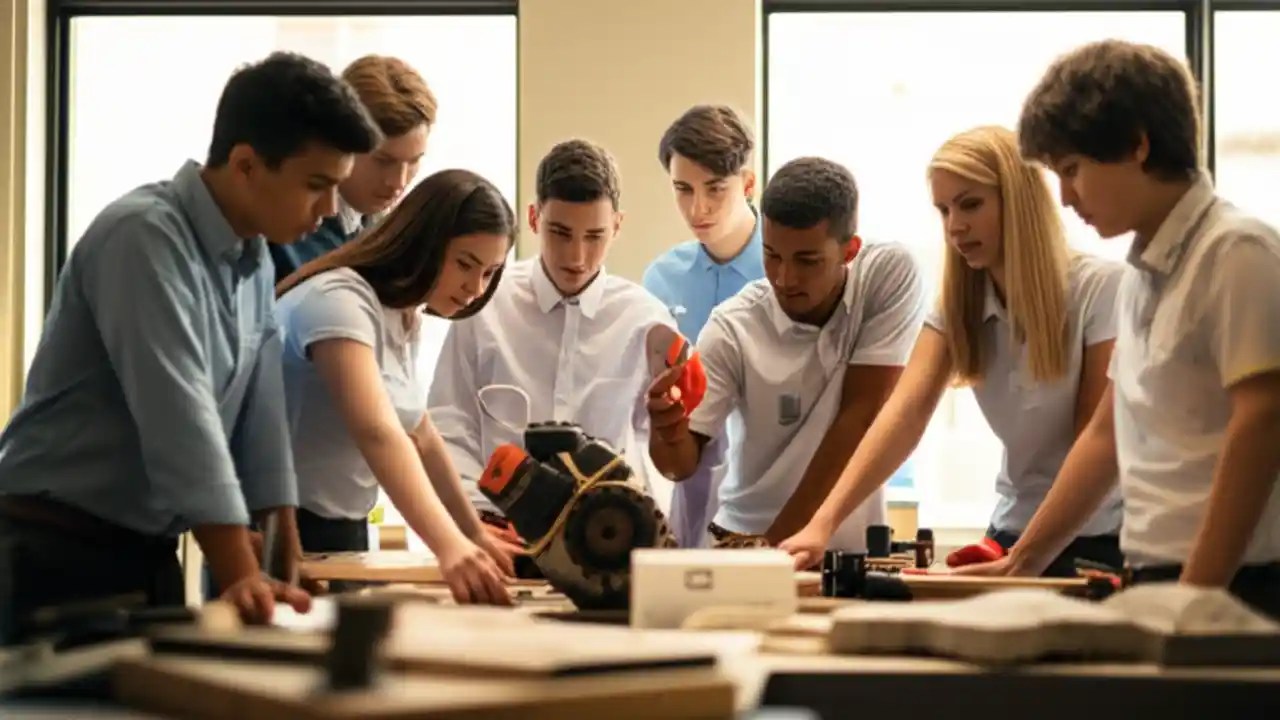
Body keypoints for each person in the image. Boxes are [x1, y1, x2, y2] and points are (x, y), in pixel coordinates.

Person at [0, 51, 381, 633]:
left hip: (147, 556)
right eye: (317, 186)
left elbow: (263, 429)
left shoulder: (254, 260)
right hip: (50, 552)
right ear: (247, 165)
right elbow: (179, 414)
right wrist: (237, 573)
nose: (330, 210)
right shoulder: (143, 237)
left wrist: (284, 566)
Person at [954, 40, 1280, 619]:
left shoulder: (1237, 251)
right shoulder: (1140, 277)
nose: (1064, 196)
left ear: (1137, 144)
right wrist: (1023, 559)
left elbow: (1263, 420)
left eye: (1073, 170)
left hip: (1238, 583)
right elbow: (1104, 438)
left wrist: (1196, 597)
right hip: (1156, 574)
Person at [778, 126, 1124, 575]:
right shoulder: (958, 305)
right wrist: (821, 525)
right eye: (943, 210)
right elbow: (904, 413)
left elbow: (1093, 442)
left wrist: (1024, 559)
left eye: (970, 204)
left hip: (1095, 539)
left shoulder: (1102, 289)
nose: (955, 226)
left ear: (1018, 200)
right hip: (1010, 534)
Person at [647, 156, 925, 551]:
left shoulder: (888, 274)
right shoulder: (731, 327)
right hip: (743, 541)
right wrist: (668, 433)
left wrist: (777, 548)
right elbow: (679, 465)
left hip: (829, 551)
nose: (784, 278)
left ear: (850, 251)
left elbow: (862, 414)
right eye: (772, 255)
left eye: (807, 261)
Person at [274, 168, 518, 606]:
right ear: (425, 240)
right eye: (465, 263)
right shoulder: (339, 301)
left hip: (342, 529)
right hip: (281, 530)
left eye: (490, 273)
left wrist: (472, 531)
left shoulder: (403, 314)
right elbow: (378, 431)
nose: (475, 288)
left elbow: (421, 435)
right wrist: (449, 546)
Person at [428, 139, 675, 530]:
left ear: (618, 226)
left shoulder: (646, 320)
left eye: (594, 236)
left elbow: (665, 458)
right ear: (533, 218)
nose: (576, 257)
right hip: (497, 532)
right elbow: (449, 423)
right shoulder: (485, 301)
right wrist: (479, 517)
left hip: (607, 539)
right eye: (560, 233)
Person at [641, 105, 764, 547]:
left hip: (773, 493)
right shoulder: (660, 279)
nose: (698, 208)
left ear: (748, 183)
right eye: (683, 189)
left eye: (715, 188)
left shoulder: (787, 269)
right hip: (686, 488)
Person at [271, 54, 437, 282]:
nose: (398, 182)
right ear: (341, 142)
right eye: (383, 160)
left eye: (413, 161)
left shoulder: (392, 235)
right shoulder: (280, 231)